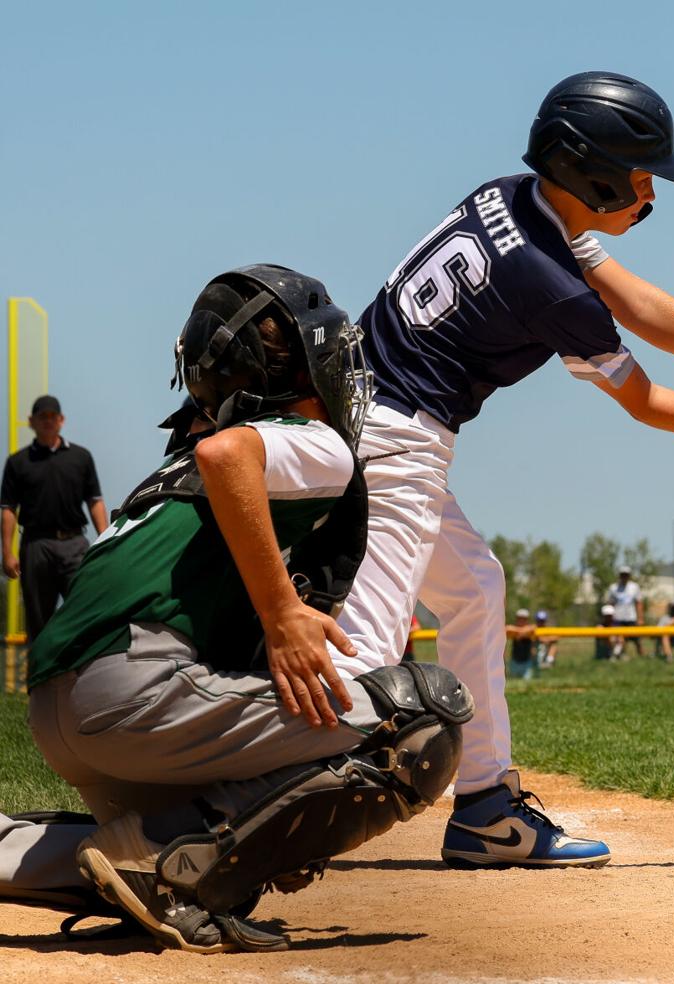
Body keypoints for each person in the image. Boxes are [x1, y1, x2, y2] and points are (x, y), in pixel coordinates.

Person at [334, 71, 674, 871]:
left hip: (356, 413)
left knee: (474, 591)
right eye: (641, 177)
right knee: (364, 656)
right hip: (396, 445)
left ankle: (484, 811)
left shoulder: (510, 198)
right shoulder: (547, 287)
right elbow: (644, 401)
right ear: (595, 172)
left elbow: (637, 301)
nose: (649, 194)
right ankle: (229, 809)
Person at [0, 266, 470, 953]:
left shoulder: (170, 464)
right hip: (136, 695)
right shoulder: (307, 444)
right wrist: (282, 617)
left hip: (64, 706)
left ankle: (30, 850)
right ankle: (163, 859)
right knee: (423, 716)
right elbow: (230, 456)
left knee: (221, 851)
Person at [1, 395, 109, 639]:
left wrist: (105, 539)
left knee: (84, 612)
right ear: (32, 421)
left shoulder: (81, 457)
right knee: (39, 623)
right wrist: (7, 552)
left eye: (53, 417)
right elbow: (8, 508)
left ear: (61, 420)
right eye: (42, 417)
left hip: (75, 545)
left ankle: (79, 675)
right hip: (36, 546)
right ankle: (40, 675)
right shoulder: (18, 462)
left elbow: (95, 501)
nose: (48, 422)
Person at [605, 565, 645, 658]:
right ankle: (621, 656)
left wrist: (640, 618)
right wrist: (609, 619)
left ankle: (643, 657)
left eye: (626, 575)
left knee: (637, 640)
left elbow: (639, 603)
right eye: (622, 574)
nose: (624, 577)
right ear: (619, 575)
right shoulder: (613, 588)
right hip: (618, 618)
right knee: (621, 640)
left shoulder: (634, 587)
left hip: (631, 617)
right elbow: (610, 604)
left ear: (629, 575)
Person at [507, 608, 537, 679]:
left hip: (527, 662)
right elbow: (507, 628)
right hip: (515, 661)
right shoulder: (513, 628)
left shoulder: (530, 628)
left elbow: (533, 628)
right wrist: (522, 632)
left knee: (526, 685)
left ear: (527, 620)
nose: (521, 620)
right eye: (519, 618)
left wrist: (520, 633)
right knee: (514, 684)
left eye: (524, 618)